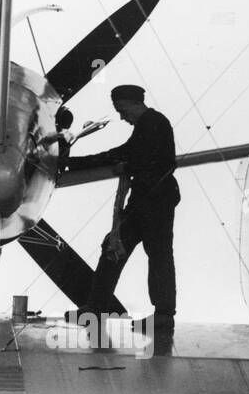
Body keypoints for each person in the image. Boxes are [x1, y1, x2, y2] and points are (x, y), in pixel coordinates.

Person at [66, 84, 180, 350]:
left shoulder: (152, 123)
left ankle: (153, 314)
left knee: (150, 253)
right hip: (149, 200)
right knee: (124, 249)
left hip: (153, 202)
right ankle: (103, 308)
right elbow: (131, 154)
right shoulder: (152, 123)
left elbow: (136, 157)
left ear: (131, 104)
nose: (121, 117)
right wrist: (80, 162)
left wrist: (77, 163)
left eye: (121, 110)